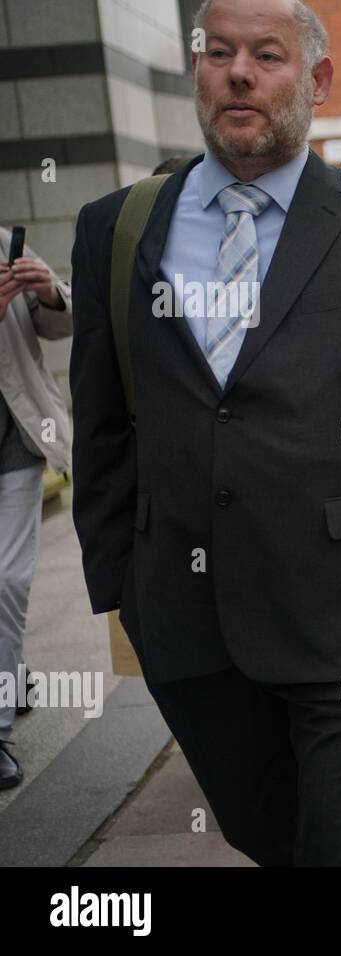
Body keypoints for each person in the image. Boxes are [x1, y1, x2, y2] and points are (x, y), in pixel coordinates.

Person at [69, 0, 341, 865]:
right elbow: (104, 419)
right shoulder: (115, 229)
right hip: (191, 626)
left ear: (316, 80)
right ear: (196, 69)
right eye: (218, 52)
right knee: (270, 836)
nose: (238, 73)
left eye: (266, 55)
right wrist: (121, 583)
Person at [0, 229, 73, 790]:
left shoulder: (4, 241)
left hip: (14, 440)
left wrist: (48, 292)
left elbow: (57, 324)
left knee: (7, 578)